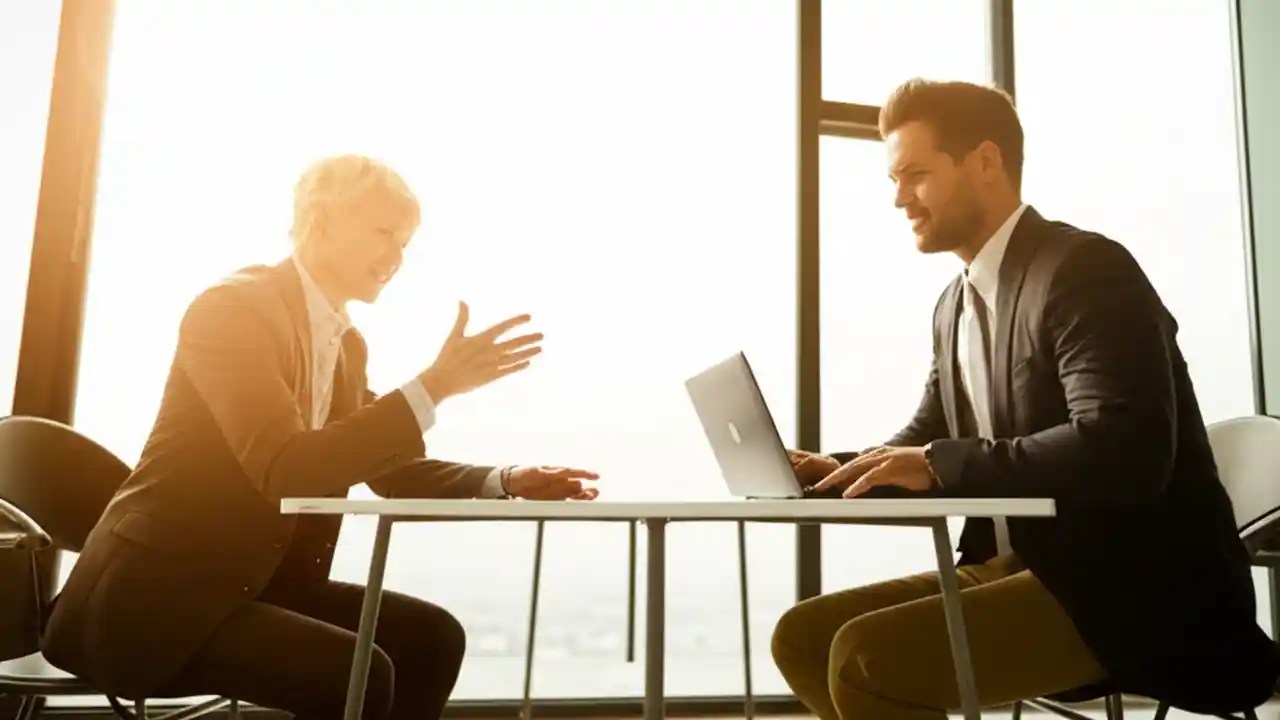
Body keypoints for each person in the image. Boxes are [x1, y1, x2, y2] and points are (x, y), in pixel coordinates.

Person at [772, 79, 1279, 719]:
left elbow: (1124, 446)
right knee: (803, 637)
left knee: (865, 659)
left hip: (1126, 592)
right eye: (894, 179)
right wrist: (837, 466)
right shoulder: (954, 306)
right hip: (1018, 568)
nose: (899, 198)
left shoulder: (1085, 270)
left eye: (916, 174)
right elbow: (929, 438)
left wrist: (936, 462)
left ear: (985, 162)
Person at [42, 154, 599, 720]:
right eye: (384, 232)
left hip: (250, 585)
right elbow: (285, 467)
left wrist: (504, 480)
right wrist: (435, 384)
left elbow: (389, 467)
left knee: (432, 639)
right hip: (155, 602)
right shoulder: (232, 310)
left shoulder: (343, 345)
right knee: (357, 674)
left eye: (406, 242)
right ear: (321, 220)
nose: (397, 257)